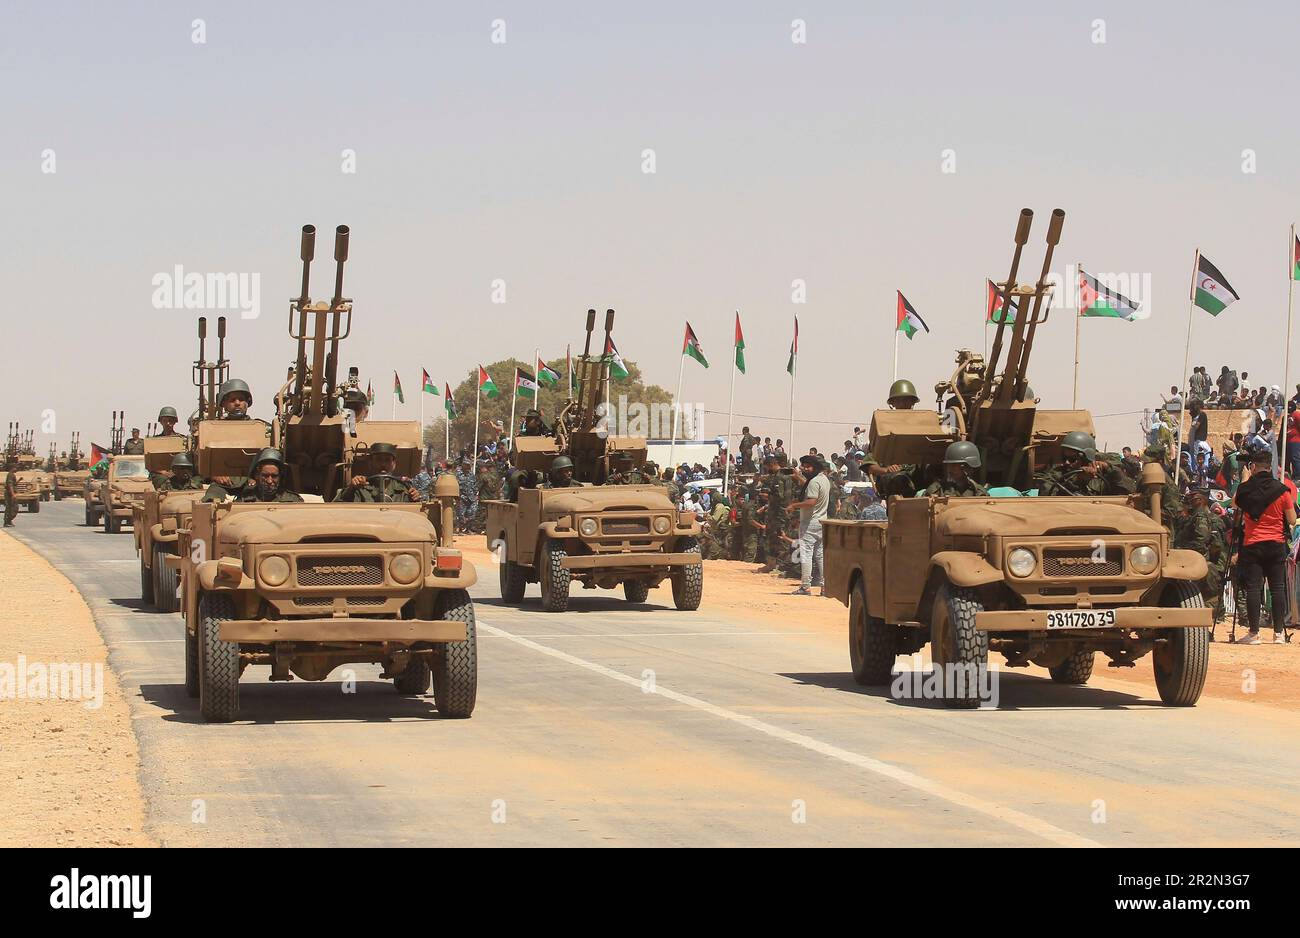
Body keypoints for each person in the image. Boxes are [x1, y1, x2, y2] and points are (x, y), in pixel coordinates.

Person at [1230, 448, 1295, 644]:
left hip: (1253, 544)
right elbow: (1292, 519)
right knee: (1277, 588)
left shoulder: (1246, 489)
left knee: (1253, 588)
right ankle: (1277, 634)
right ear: (1270, 467)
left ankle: (1254, 633)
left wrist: (1244, 479)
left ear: (1254, 467)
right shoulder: (1282, 490)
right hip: (1276, 544)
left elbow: (1235, 504)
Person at [1035, 431, 1134, 496]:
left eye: (1072, 459)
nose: (1066, 462)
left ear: (1086, 458)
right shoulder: (1057, 475)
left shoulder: (1103, 476)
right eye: (1064, 458)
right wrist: (1077, 480)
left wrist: (1109, 469)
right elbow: (1047, 495)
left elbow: (1129, 490)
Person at [788, 455, 831, 595]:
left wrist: (794, 505)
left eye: (808, 466)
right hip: (822, 521)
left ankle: (805, 586)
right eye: (804, 466)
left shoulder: (813, 482)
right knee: (820, 555)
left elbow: (811, 502)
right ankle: (825, 587)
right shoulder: (824, 480)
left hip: (810, 522)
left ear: (815, 467)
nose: (805, 468)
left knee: (806, 554)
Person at [333, 442, 420, 502]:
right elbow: (339, 507)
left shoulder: (403, 488)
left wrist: (415, 498)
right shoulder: (360, 487)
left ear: (394, 464)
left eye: (387, 460)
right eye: (378, 460)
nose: (383, 464)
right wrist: (351, 489)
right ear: (370, 462)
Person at [228, 449, 303, 503]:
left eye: (274, 476)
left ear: (280, 476)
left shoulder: (293, 501)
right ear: (257, 475)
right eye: (265, 476)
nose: (269, 481)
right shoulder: (244, 500)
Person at [924, 442, 990, 497]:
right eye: (950, 465)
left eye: (954, 465)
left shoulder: (979, 492)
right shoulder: (937, 490)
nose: (950, 469)